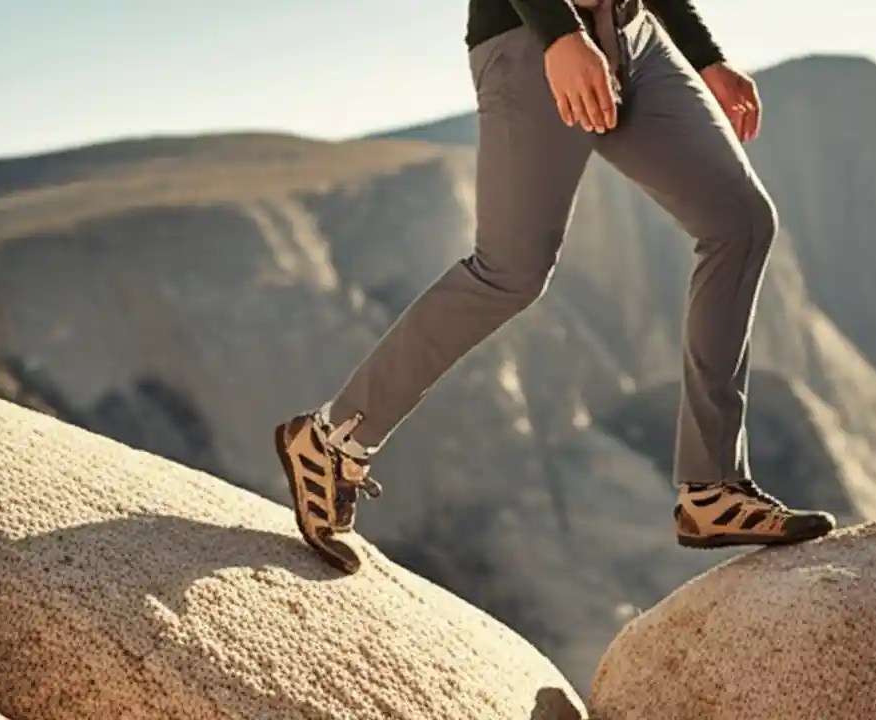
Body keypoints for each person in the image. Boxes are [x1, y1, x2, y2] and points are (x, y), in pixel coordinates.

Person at [275, 0, 837, 573]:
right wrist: (558, 33)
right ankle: (332, 440)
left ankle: (713, 489)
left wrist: (705, 54)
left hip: (635, 34)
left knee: (740, 223)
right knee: (509, 271)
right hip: (531, 34)